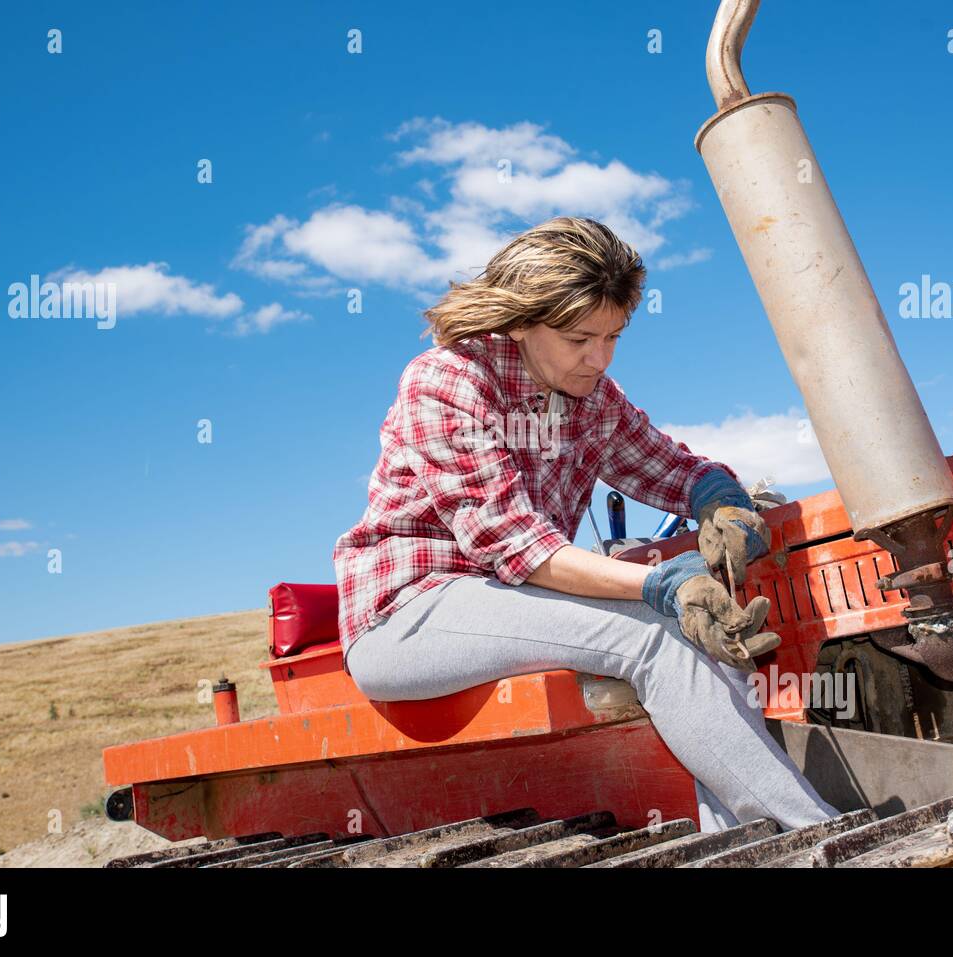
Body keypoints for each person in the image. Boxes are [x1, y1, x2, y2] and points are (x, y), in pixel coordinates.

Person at [332, 216, 837, 832]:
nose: (598, 358)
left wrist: (720, 499)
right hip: (409, 612)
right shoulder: (447, 382)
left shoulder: (594, 399)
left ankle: (744, 841)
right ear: (520, 321)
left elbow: (672, 467)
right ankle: (816, 836)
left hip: (511, 600)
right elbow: (516, 547)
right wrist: (660, 585)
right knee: (653, 630)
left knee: (701, 629)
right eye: (578, 339)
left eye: (613, 337)